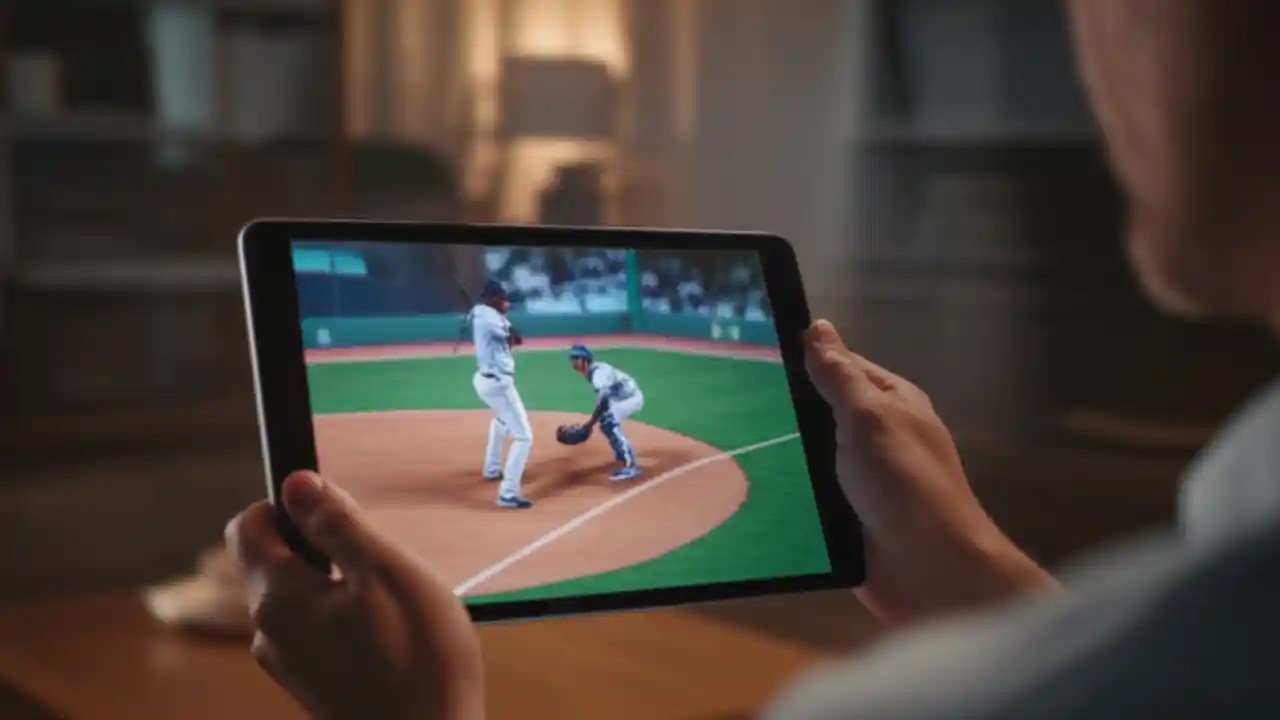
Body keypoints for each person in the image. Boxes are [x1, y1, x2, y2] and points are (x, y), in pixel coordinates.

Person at [224, 1, 1280, 717]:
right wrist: (978, 576)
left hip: (560, 405)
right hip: (532, 400)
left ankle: (584, 474)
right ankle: (582, 473)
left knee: (580, 434)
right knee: (563, 433)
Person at [470, 280, 535, 509]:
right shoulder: (488, 317)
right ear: (493, 298)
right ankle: (508, 493)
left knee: (502, 419)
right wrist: (511, 332)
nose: (506, 301)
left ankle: (492, 467)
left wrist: (510, 332)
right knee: (524, 437)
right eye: (502, 297)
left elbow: (512, 338)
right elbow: (512, 336)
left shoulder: (487, 313)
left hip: (485, 379)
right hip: (498, 383)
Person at [566, 344, 644, 481]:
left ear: (585, 360)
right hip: (620, 398)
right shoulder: (593, 371)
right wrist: (591, 423)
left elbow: (604, 399)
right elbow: (604, 399)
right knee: (605, 421)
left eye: (576, 358)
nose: (573, 362)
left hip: (631, 398)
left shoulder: (598, 373)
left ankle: (630, 464)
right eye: (572, 358)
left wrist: (589, 425)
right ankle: (622, 453)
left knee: (608, 421)